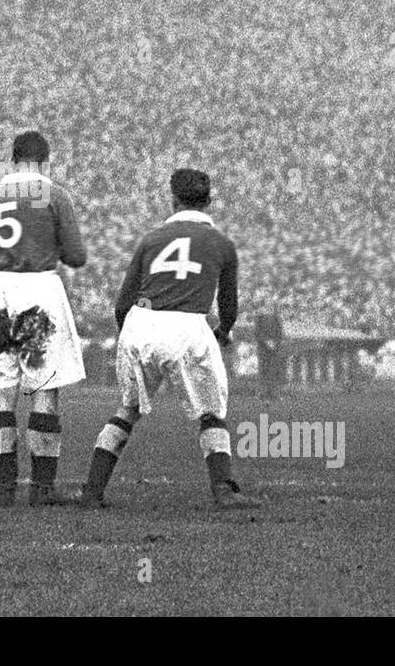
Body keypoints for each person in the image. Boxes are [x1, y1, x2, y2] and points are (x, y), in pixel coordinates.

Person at [80, 168, 263, 510]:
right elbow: (229, 308)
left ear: (173, 199)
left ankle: (92, 491)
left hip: (140, 323)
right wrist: (222, 333)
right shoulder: (222, 244)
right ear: (209, 201)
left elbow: (122, 303)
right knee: (211, 413)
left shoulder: (151, 239)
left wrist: (131, 338)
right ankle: (223, 489)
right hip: (187, 327)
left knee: (128, 410)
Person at [0, 131, 87, 506]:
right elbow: (76, 255)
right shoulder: (53, 194)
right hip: (37, 289)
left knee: (3, 390)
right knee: (44, 388)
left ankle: (3, 487)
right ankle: (42, 487)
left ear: (13, 158)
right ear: (45, 160)